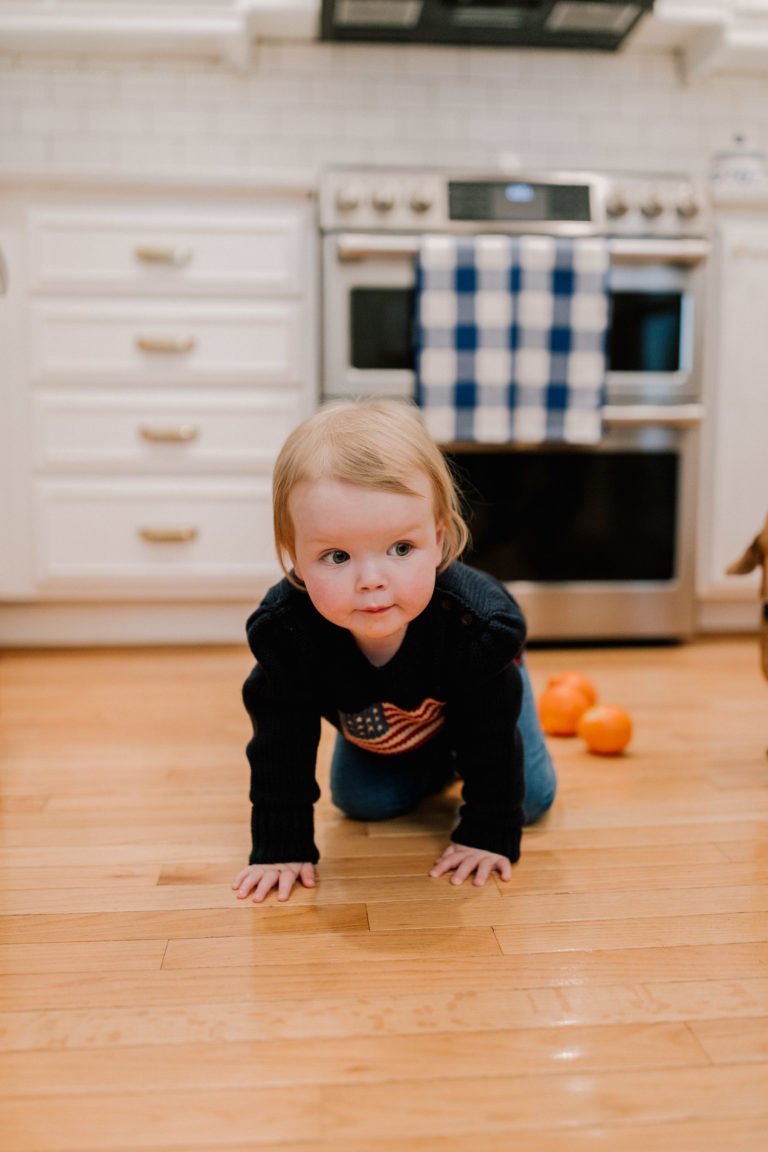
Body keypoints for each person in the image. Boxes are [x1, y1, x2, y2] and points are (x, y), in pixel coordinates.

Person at [232, 398, 556, 904]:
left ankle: (469, 737)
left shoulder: (473, 628)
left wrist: (486, 832)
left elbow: (492, 738)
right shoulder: (287, 635)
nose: (373, 581)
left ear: (438, 538)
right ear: (294, 556)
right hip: (386, 708)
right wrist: (281, 845)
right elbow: (280, 743)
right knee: (363, 801)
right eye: (336, 556)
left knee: (529, 800)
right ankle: (439, 753)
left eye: (401, 549)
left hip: (482, 686)